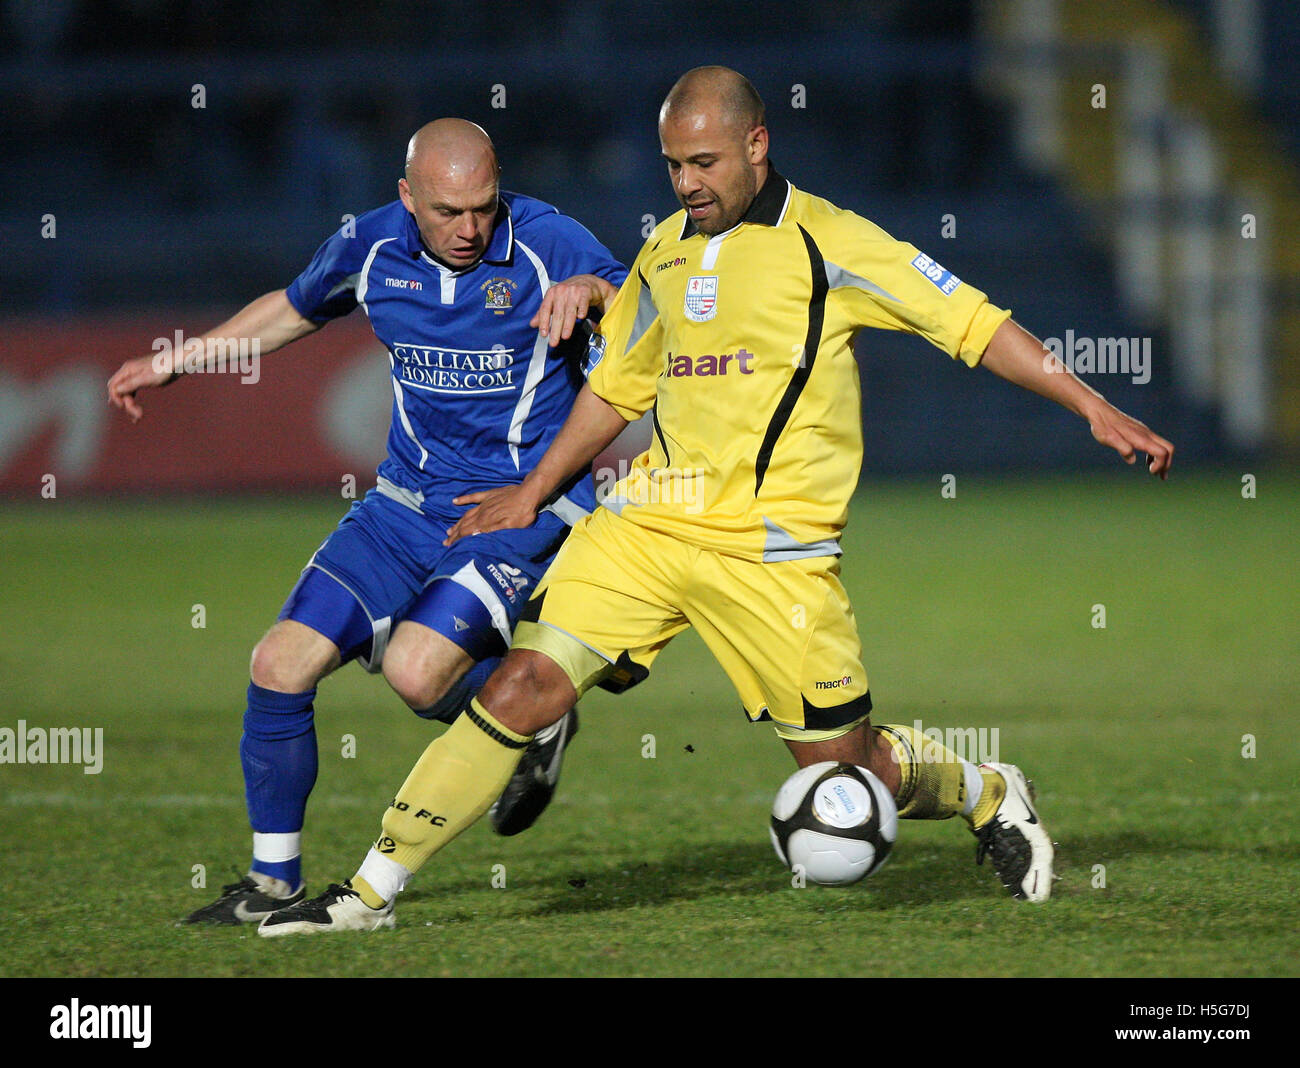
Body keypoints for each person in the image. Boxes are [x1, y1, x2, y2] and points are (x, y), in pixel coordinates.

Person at [257, 69, 1175, 935]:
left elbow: (973, 324)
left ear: (757, 146)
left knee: (845, 769)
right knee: (522, 685)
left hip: (773, 554)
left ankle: (984, 791)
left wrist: (1091, 403)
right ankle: (371, 891)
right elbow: (616, 392)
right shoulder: (662, 252)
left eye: (704, 163)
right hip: (648, 526)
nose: (687, 183)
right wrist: (531, 492)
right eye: (673, 166)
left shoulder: (834, 244)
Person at [106, 119, 627, 925]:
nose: (469, 228)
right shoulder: (372, 246)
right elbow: (290, 309)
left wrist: (593, 292)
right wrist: (176, 358)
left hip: (519, 506)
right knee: (278, 664)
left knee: (419, 674)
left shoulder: (549, 240)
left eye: (484, 207)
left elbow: (647, 313)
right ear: (405, 197)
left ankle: (528, 715)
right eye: (448, 210)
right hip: (401, 505)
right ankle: (270, 883)